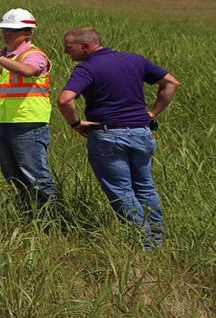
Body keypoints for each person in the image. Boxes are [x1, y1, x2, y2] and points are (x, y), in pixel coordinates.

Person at [57, 27, 180, 250]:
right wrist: (152, 113)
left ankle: (144, 244)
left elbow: (65, 100)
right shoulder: (134, 59)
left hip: (108, 135)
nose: (67, 53)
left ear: (85, 47)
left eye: (69, 48)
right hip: (141, 132)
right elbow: (171, 82)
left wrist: (75, 124)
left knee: (121, 190)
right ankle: (156, 241)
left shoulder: (87, 67)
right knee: (145, 188)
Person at [0, 8, 58, 212]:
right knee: (12, 173)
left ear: (28, 32)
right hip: (4, 123)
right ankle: (30, 212)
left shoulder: (33, 54)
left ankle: (53, 218)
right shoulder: (3, 58)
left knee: (35, 174)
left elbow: (28, 71)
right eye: (5, 29)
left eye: (13, 30)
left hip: (28, 123)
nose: (7, 33)